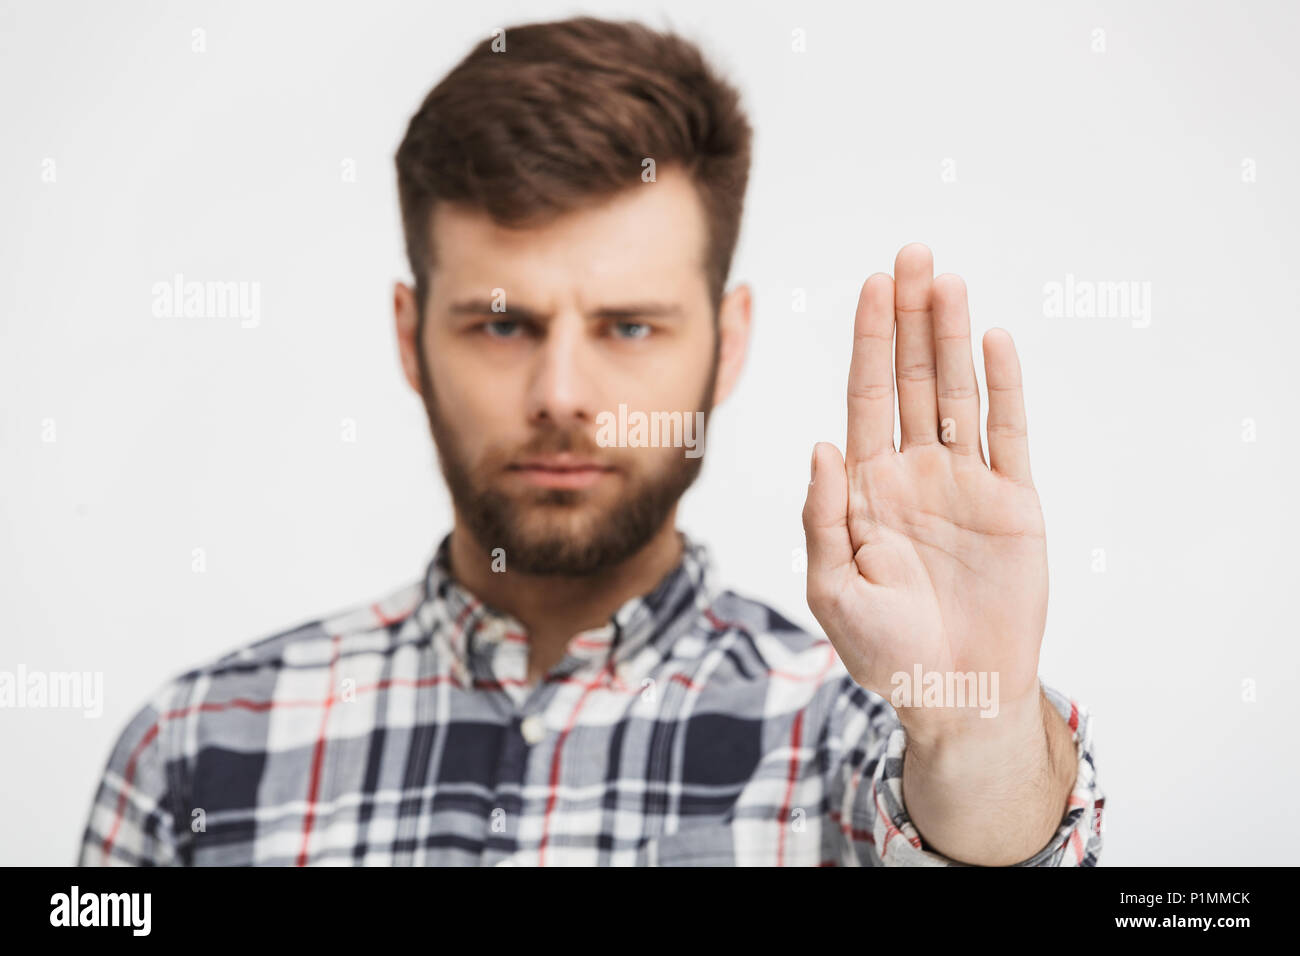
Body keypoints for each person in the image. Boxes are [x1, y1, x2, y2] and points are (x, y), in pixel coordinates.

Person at [79, 15, 1103, 866]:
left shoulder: (858, 744)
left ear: (727, 339)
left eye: (627, 326)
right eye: (500, 323)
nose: (561, 395)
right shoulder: (198, 750)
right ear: (410, 334)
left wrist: (973, 724)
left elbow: (982, 827)